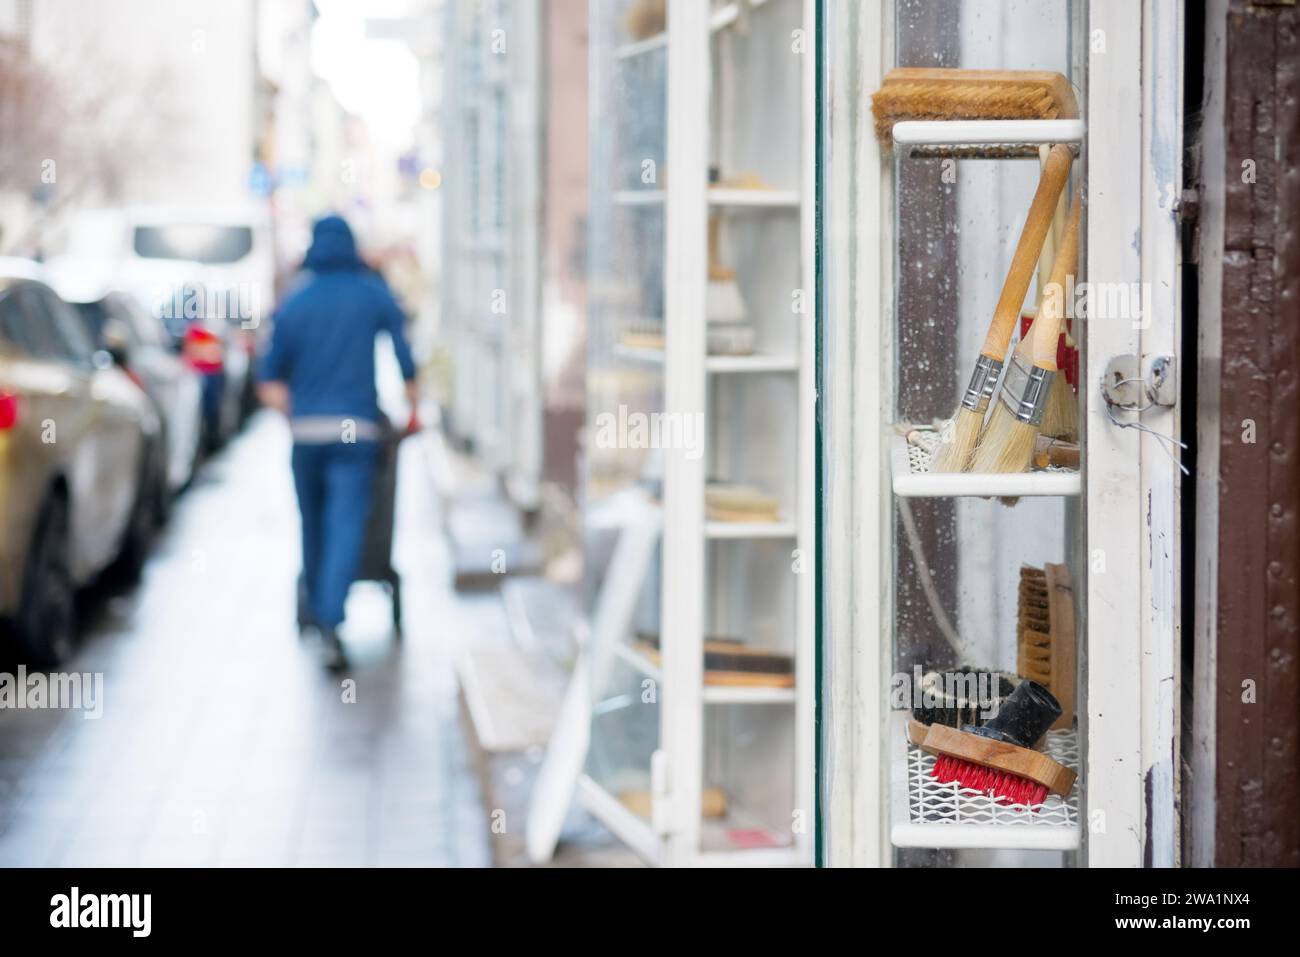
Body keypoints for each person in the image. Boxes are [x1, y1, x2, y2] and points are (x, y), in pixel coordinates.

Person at [258, 215, 418, 670]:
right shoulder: (370, 293)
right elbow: (405, 359)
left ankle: (315, 606)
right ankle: (331, 622)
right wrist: (413, 411)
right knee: (347, 522)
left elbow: (268, 382)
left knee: (313, 522)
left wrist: (298, 414)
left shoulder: (295, 300)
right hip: (356, 432)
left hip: (307, 435)